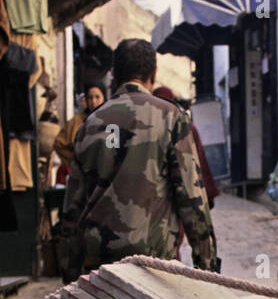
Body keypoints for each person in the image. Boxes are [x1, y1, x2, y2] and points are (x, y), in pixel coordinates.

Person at [58, 39, 219, 282]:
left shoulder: (89, 125)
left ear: (114, 75)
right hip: (155, 266)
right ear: (153, 75)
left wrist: (70, 278)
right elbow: (192, 199)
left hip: (100, 266)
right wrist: (209, 272)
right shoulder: (171, 118)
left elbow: (72, 209)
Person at [151, 85, 219, 208]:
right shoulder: (185, 125)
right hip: (183, 192)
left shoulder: (148, 127)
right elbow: (200, 159)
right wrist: (208, 193)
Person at [52, 82, 105, 185]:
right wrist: (74, 161)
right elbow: (59, 143)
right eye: (90, 98)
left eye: (97, 97)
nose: (94, 101)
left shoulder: (111, 121)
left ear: (104, 97)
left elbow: (114, 149)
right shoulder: (77, 121)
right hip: (81, 176)